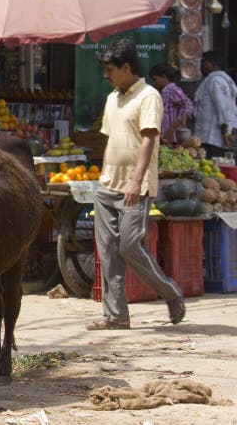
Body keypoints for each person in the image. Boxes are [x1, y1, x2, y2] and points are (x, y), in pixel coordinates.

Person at [89, 39, 185, 331]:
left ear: (126, 67)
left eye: (109, 70)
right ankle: (115, 316)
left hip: (136, 188)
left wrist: (135, 180)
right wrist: (103, 174)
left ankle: (170, 292)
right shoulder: (111, 99)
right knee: (107, 251)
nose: (106, 75)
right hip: (107, 186)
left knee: (129, 246)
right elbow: (110, 140)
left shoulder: (148, 96)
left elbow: (148, 139)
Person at [193, 51, 237, 158]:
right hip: (212, 139)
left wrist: (225, 134)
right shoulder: (219, 80)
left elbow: (222, 109)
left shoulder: (216, 81)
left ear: (212, 64)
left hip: (212, 139)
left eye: (204, 63)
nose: (201, 67)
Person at [148, 63, 194, 145]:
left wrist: (172, 128)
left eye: (155, 79)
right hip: (163, 138)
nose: (153, 83)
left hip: (171, 139)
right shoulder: (163, 92)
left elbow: (188, 106)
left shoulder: (172, 90)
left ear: (164, 77)